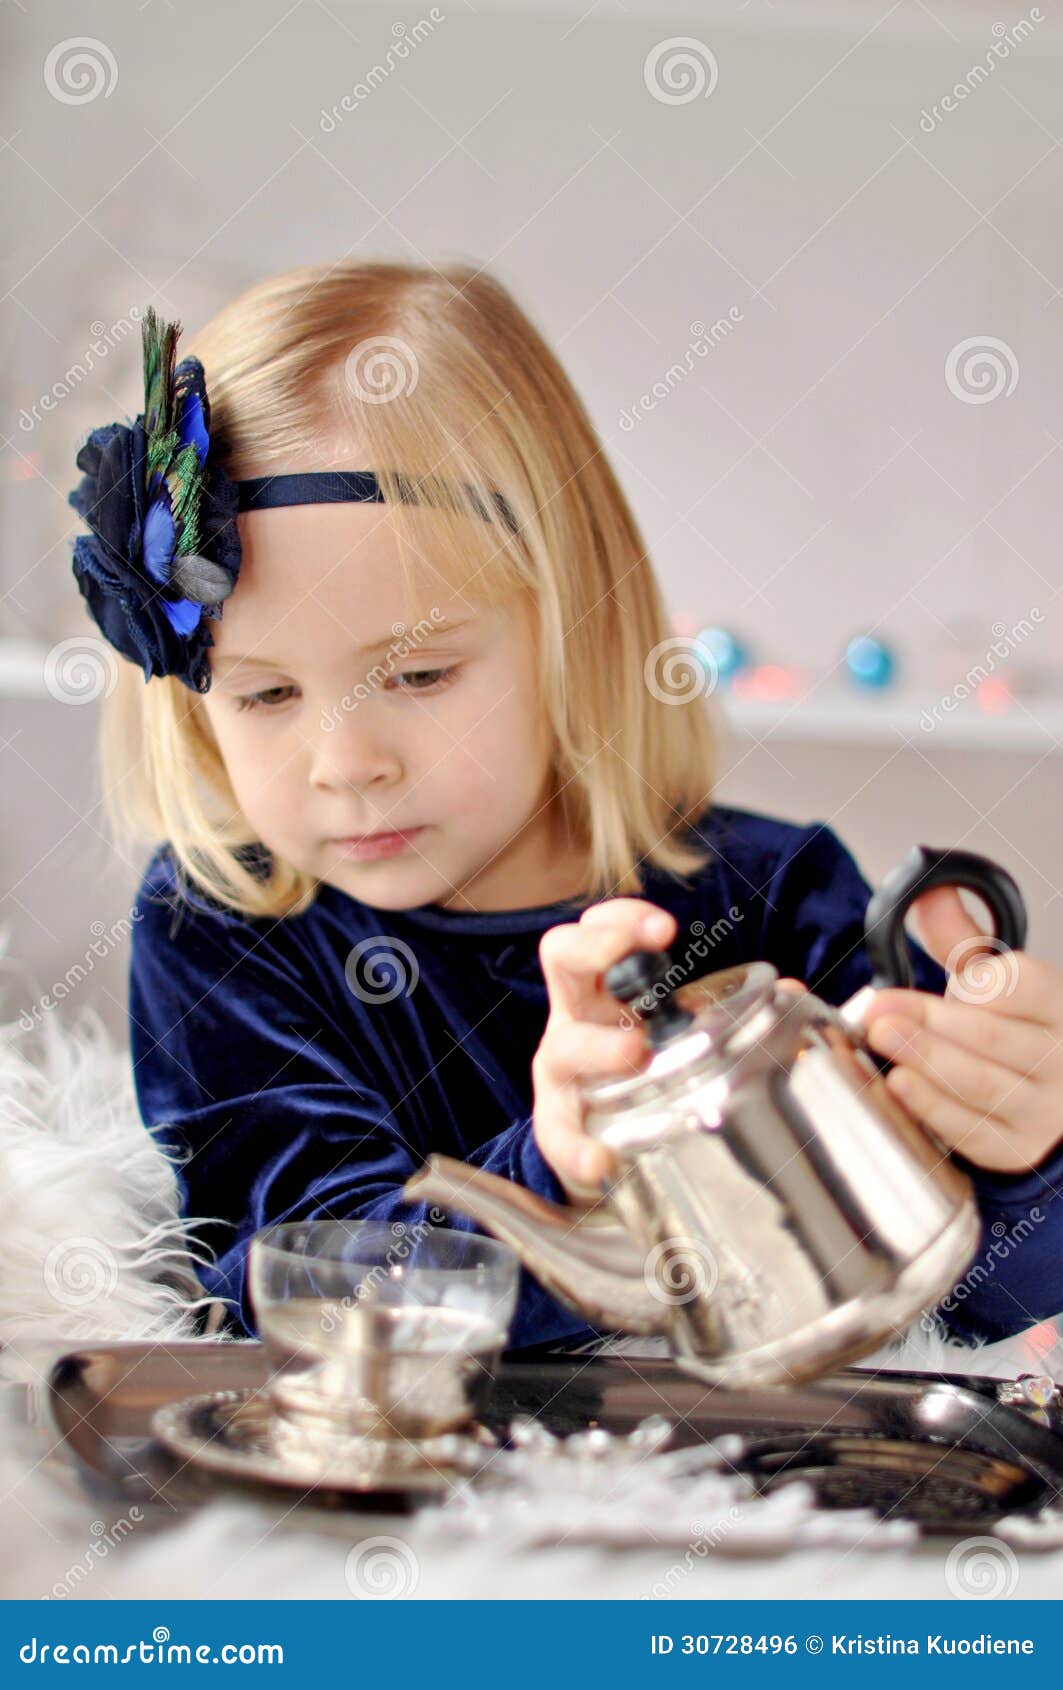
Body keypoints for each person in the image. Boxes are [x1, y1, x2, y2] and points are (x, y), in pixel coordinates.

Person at [68, 264, 1063, 1354]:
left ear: (571, 625)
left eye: (416, 675)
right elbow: (298, 1279)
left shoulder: (770, 900)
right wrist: (551, 1173)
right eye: (264, 694)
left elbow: (972, 1301)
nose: (345, 763)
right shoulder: (222, 925)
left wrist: (1023, 1147)